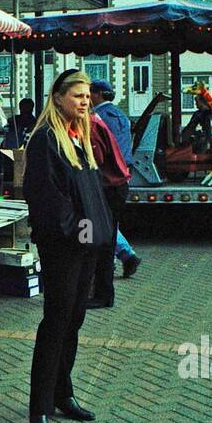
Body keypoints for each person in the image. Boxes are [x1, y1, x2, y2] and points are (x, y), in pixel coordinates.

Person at [21, 69, 114, 423]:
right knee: (57, 321)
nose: (85, 101)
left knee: (75, 317)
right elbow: (48, 198)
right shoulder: (46, 139)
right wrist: (79, 233)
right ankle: (39, 409)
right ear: (58, 98)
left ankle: (63, 393)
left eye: (87, 95)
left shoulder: (81, 136)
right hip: (62, 246)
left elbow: (91, 193)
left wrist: (92, 236)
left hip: (84, 244)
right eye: (77, 95)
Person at [89, 79, 141, 279]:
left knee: (101, 220)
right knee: (110, 219)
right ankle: (125, 256)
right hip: (123, 172)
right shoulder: (121, 115)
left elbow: (100, 151)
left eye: (90, 93)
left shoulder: (98, 118)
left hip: (106, 175)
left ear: (98, 94)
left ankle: (114, 261)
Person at [86, 112, 130, 309]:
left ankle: (103, 295)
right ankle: (101, 292)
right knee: (103, 240)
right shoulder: (93, 121)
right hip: (111, 186)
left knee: (103, 242)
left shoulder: (90, 126)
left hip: (110, 187)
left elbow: (95, 161)